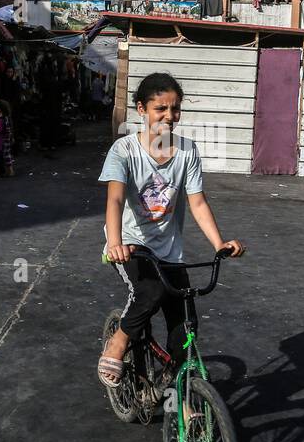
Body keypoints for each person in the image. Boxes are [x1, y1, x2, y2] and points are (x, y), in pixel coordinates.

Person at [96, 72, 245, 388]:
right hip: (132, 244)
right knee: (150, 292)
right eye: (160, 108)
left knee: (185, 325)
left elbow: (198, 203)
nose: (169, 116)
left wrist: (219, 243)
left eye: (175, 108)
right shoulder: (124, 150)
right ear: (141, 109)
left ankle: (181, 392)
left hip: (169, 250)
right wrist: (116, 243)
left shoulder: (187, 151)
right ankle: (119, 341)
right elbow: (115, 199)